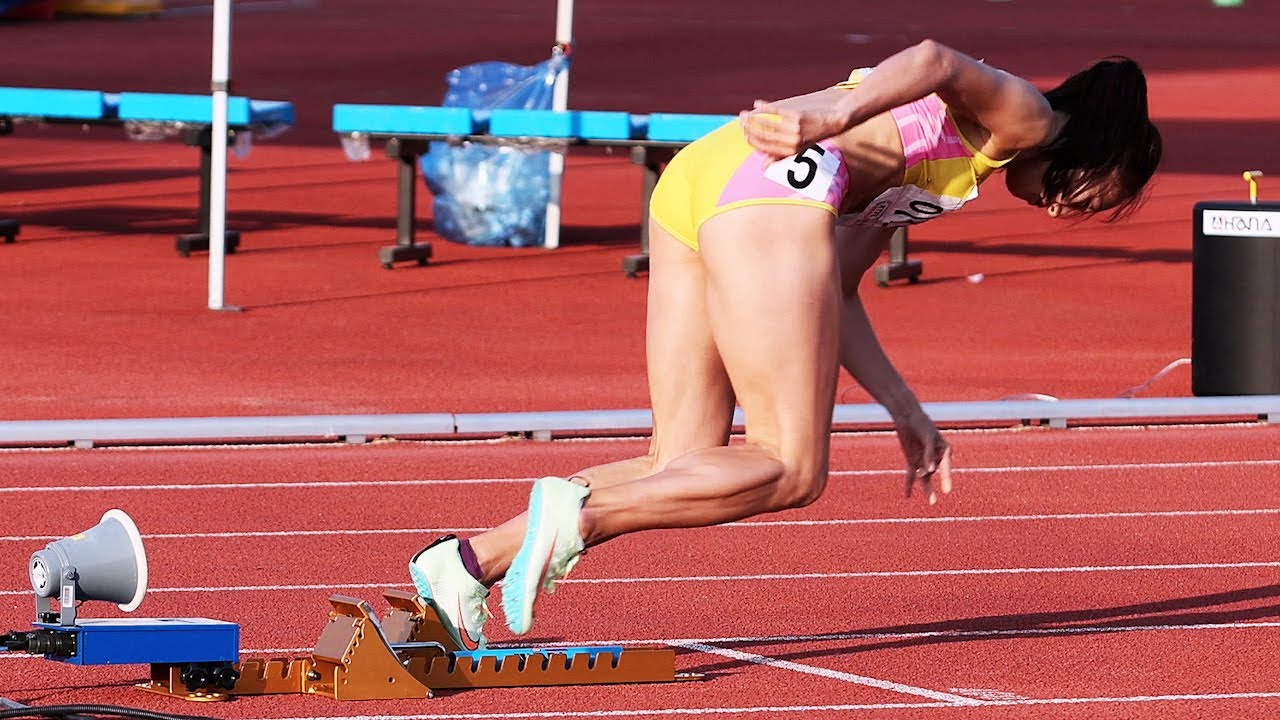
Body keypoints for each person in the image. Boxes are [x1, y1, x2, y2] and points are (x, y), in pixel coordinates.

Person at [408, 39, 1163, 649]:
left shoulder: (950, 165)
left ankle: (466, 565)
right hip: (777, 181)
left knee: (681, 459)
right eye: (1098, 192)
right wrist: (829, 121)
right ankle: (577, 517)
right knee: (791, 469)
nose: (1074, 209)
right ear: (1097, 146)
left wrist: (907, 410)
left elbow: (833, 286)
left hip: (704, 176)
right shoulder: (1030, 118)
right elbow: (937, 58)